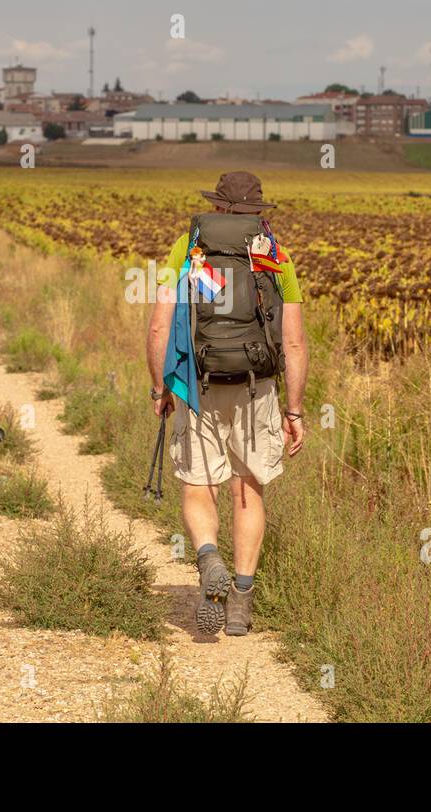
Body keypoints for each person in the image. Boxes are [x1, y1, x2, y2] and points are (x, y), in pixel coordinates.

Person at [145, 170, 307, 637]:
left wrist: (161, 388)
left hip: (198, 382)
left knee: (199, 484)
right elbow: (293, 342)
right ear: (258, 211)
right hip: (257, 386)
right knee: (246, 488)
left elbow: (160, 328)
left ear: (216, 207)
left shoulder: (187, 248)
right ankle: (240, 598)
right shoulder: (275, 255)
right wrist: (293, 410)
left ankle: (207, 557)